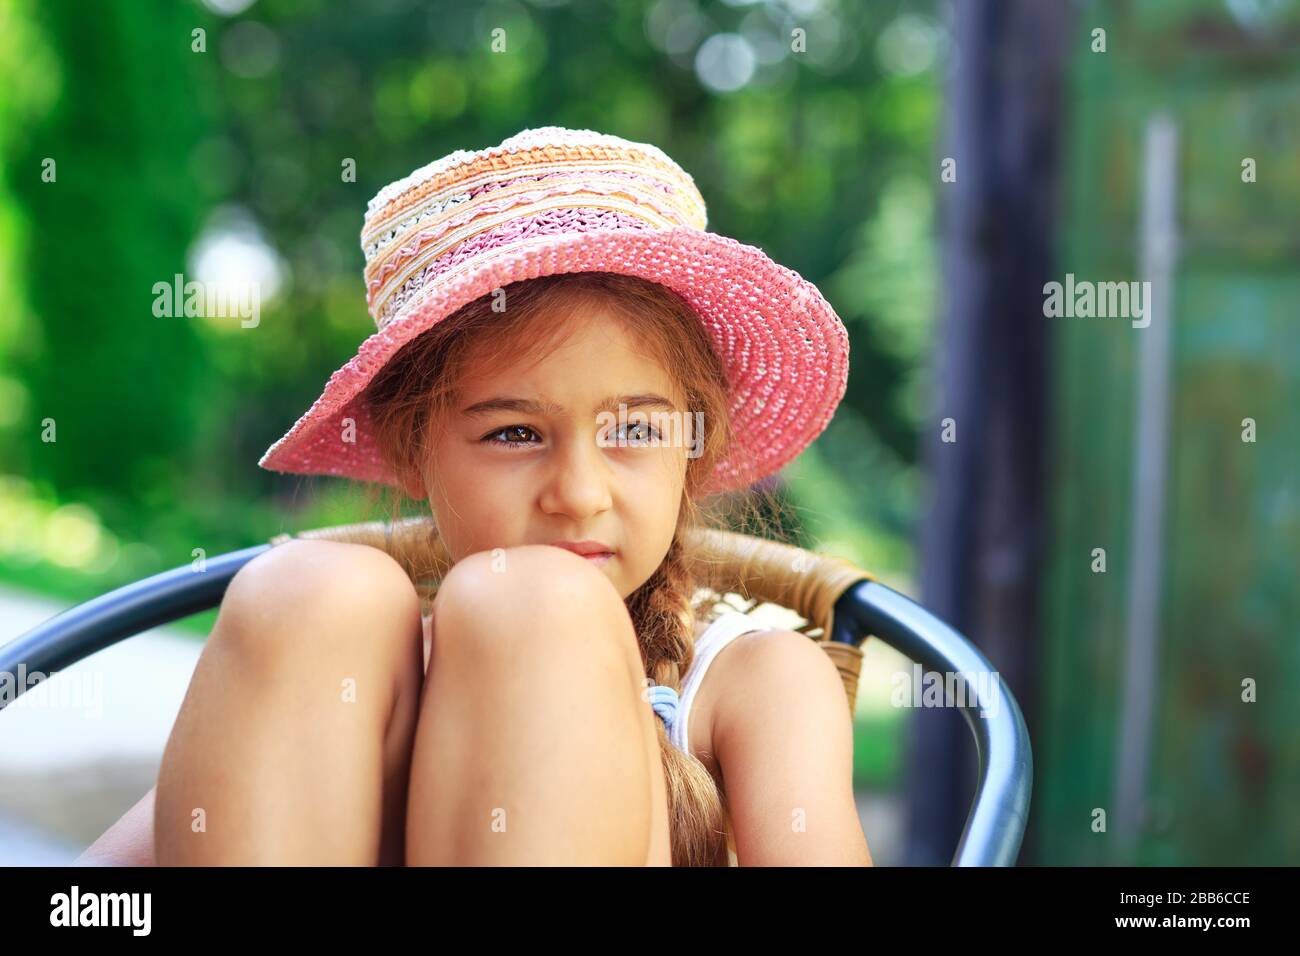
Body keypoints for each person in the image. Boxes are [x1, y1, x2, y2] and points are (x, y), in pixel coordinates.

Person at [76, 126, 870, 867]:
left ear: (693, 449)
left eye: (634, 432)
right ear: (411, 453)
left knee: (532, 603)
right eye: (515, 435)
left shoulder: (755, 683)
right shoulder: (349, 673)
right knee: (307, 587)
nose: (578, 493)